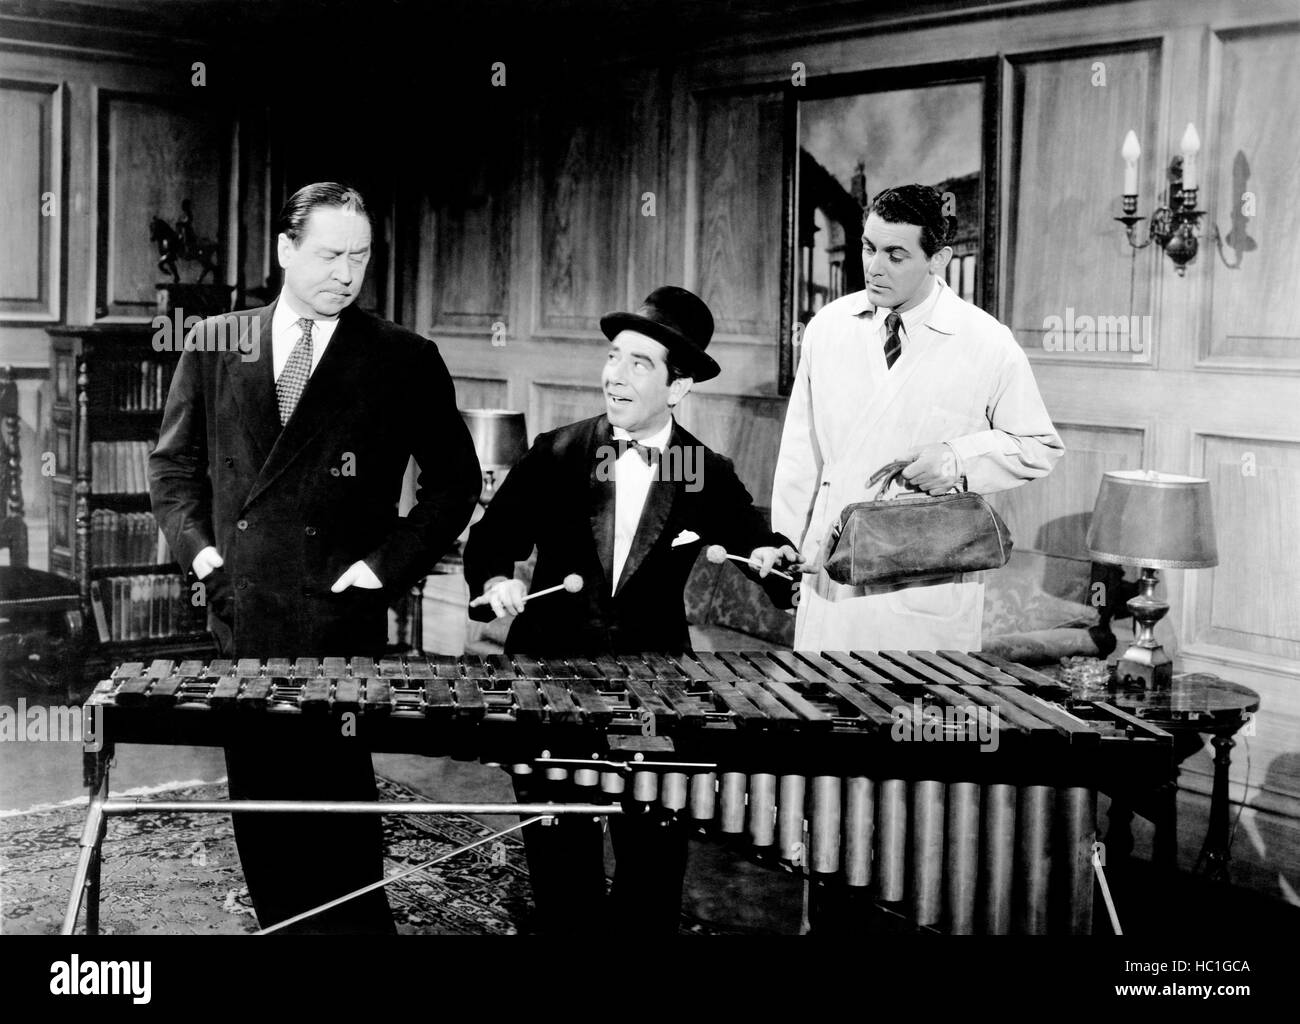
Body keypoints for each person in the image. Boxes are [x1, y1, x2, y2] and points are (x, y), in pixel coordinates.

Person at [149, 182, 481, 933]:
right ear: (284, 251)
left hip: (341, 617)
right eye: (330, 254)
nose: (346, 272)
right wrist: (204, 559)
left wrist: (381, 570)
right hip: (244, 608)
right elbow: (172, 470)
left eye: (360, 257)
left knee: (339, 816)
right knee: (262, 811)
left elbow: (455, 483)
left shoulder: (402, 357)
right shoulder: (215, 342)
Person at [464, 285, 797, 933]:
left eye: (640, 363)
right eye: (614, 356)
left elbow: (757, 544)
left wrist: (776, 560)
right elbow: (492, 542)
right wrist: (498, 580)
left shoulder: (704, 469)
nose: (615, 375)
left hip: (654, 703)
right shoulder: (557, 452)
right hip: (548, 691)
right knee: (564, 885)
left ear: (678, 387)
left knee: (650, 882)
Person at [773, 183, 1063, 652]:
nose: (874, 267)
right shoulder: (828, 327)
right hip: (832, 571)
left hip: (922, 582)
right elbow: (801, 453)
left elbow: (1039, 446)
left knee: (910, 714)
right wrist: (786, 539)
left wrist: (956, 458)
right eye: (869, 247)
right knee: (824, 712)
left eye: (895, 254)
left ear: (938, 259)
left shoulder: (984, 342)